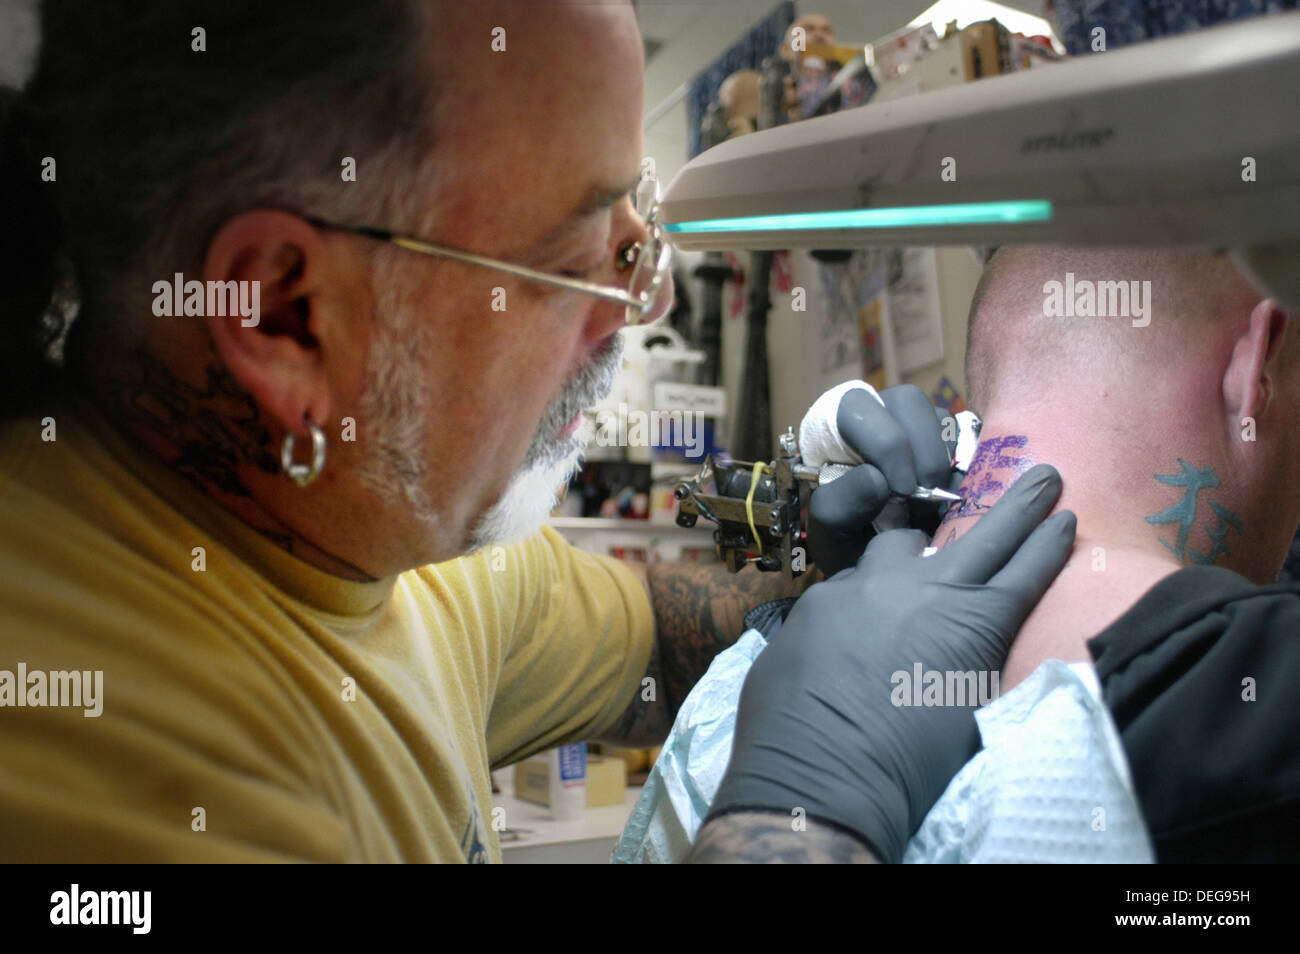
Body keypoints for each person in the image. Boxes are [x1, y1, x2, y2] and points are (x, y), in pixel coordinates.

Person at [0, 0, 1069, 863]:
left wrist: (832, 585)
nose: (637, 310)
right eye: (579, 261)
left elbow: (660, 640)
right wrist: (799, 815)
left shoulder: (384, 540)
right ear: (285, 316)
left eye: (634, 238)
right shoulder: (95, 772)